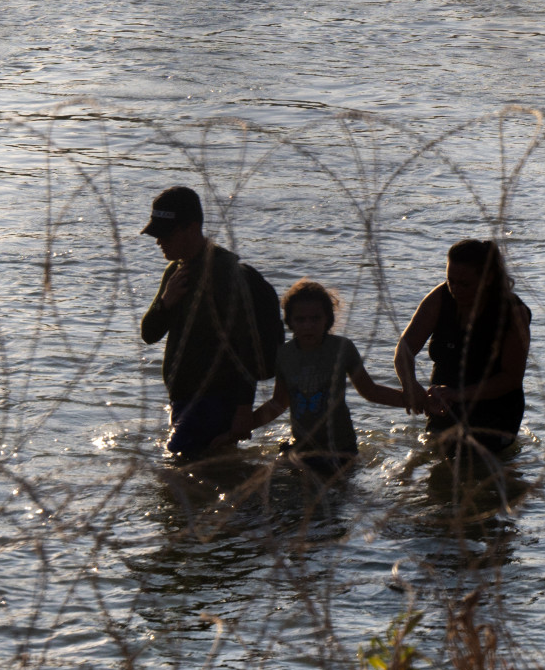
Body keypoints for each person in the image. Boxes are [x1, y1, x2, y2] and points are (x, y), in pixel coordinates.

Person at [137, 185, 282, 461]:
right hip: (183, 399)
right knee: (209, 471)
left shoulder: (225, 275)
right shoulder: (176, 272)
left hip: (217, 399)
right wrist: (165, 303)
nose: (159, 242)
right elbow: (148, 334)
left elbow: (247, 348)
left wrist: (242, 409)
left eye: (165, 234)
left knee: (178, 462)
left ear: (191, 229)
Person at [247, 278, 410, 477]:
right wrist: (240, 429)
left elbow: (371, 391)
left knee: (332, 496)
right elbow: (278, 403)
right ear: (289, 321)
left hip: (340, 449)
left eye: (315, 319)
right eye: (300, 319)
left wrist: (412, 400)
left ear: (328, 319)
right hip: (302, 447)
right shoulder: (284, 355)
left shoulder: (342, 349)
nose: (308, 325)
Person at [394, 239, 532, 456]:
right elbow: (405, 350)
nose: (455, 289)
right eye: (451, 281)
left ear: (488, 279)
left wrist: (458, 394)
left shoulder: (513, 313)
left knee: (482, 471)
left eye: (465, 284)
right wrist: (410, 385)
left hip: (495, 412)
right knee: (437, 472)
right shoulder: (440, 297)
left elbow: (511, 378)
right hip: (445, 406)